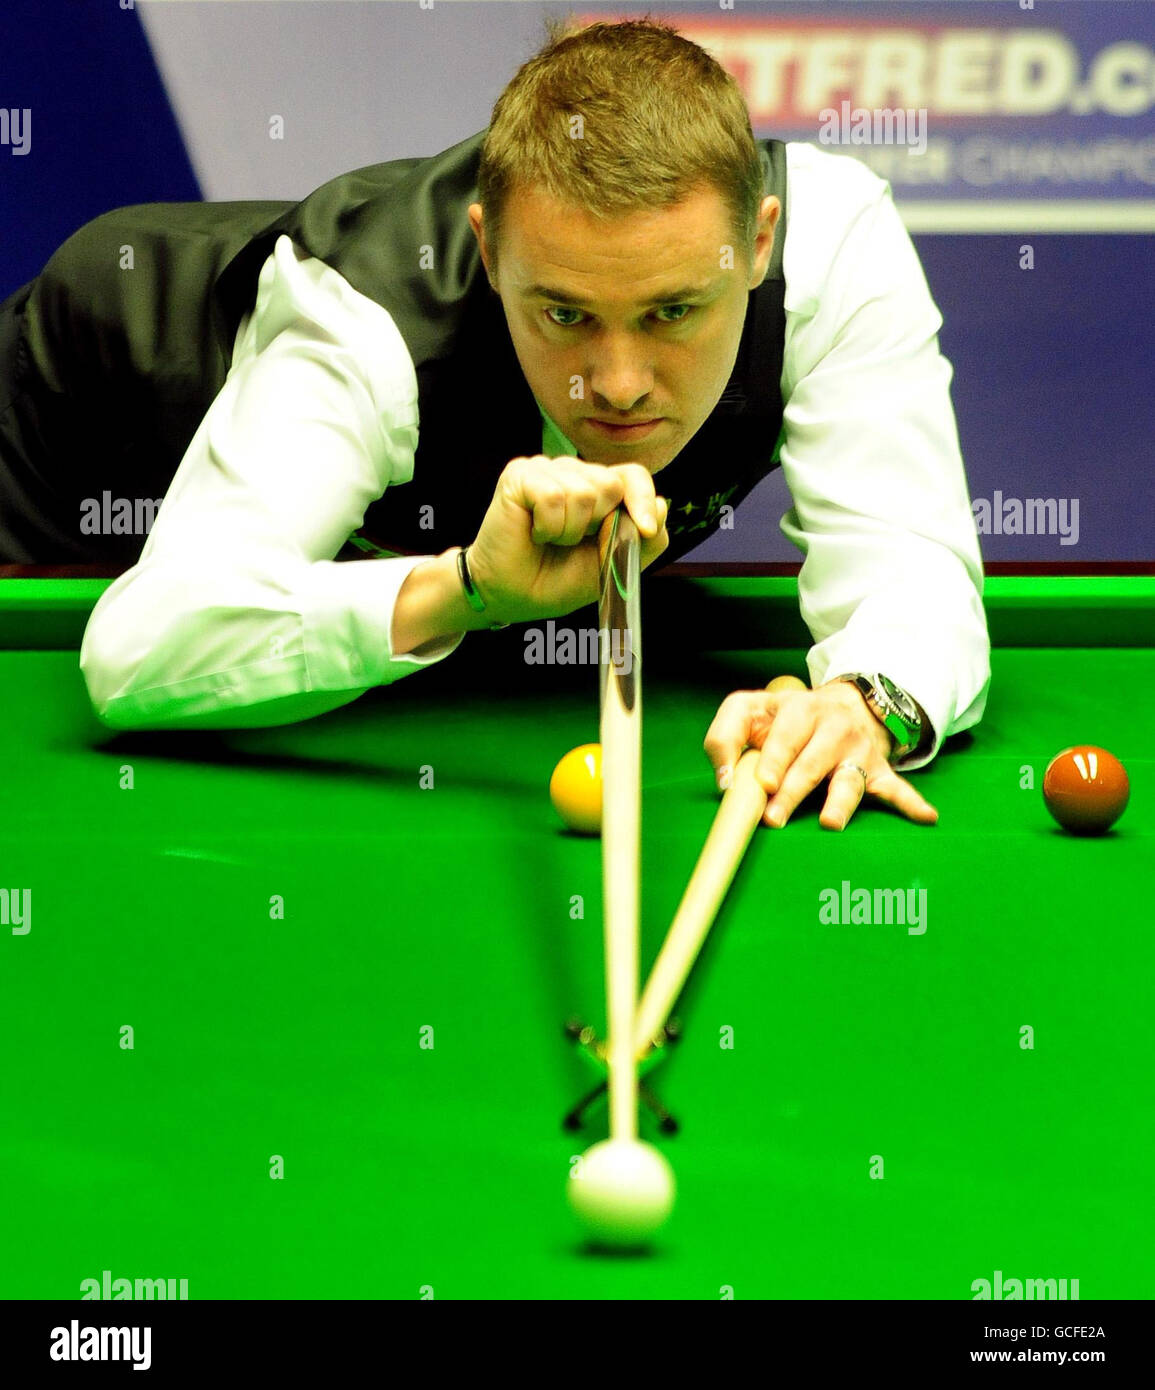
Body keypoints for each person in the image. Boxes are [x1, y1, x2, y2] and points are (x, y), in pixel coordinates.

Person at [0, 17, 988, 832]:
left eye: (672, 312)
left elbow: (906, 566)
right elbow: (140, 650)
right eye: (562, 313)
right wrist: (468, 588)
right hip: (79, 428)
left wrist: (867, 701)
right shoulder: (359, 324)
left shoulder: (835, 249)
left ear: (758, 241)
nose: (618, 383)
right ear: (488, 245)